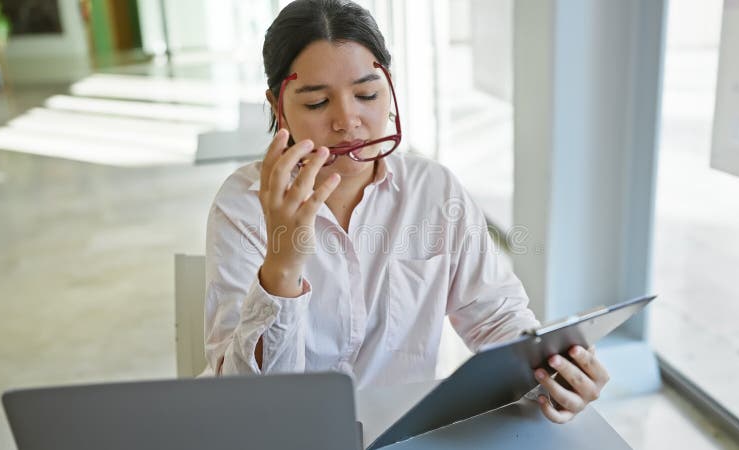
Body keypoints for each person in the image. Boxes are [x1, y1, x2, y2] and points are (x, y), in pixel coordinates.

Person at [204, 0, 609, 424]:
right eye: (317, 103)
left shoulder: (433, 190)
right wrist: (282, 270)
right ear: (277, 105)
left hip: (400, 433)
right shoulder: (242, 206)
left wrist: (554, 374)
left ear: (389, 86)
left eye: (366, 94)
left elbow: (496, 317)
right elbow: (249, 404)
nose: (348, 120)